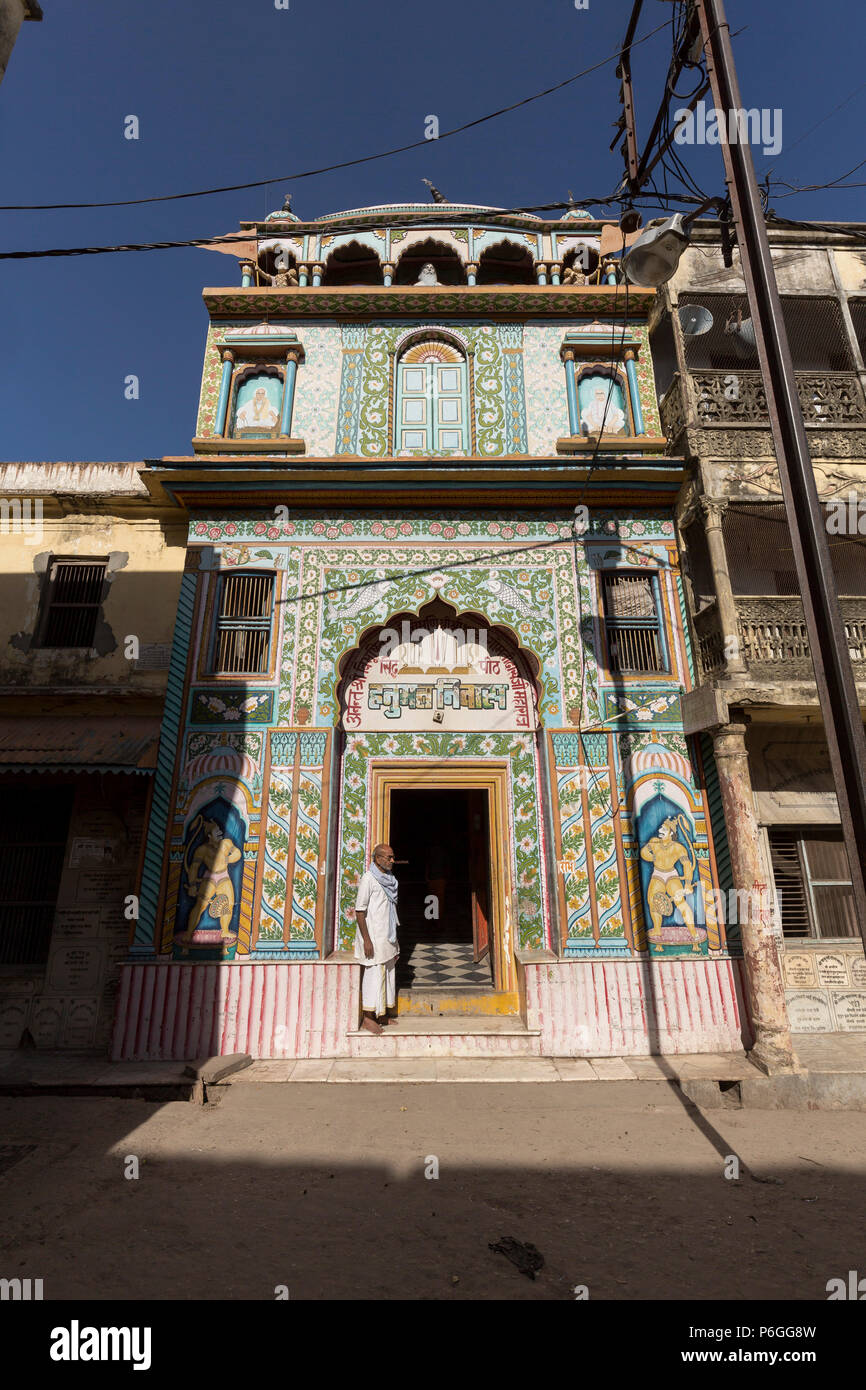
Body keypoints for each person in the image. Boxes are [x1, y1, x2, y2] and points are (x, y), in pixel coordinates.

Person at [354, 844, 400, 1033]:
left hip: (387, 935)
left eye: (392, 857)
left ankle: (382, 1014)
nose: (392, 860)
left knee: (388, 974)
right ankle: (368, 1017)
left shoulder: (390, 879)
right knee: (373, 974)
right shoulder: (369, 879)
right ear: (378, 858)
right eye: (388, 857)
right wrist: (366, 939)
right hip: (373, 937)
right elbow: (360, 911)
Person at [640, 816, 702, 954]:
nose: (659, 830)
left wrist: (687, 884)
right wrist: (651, 857)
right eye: (661, 827)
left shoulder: (678, 848)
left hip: (672, 875)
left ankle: (693, 933)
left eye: (664, 829)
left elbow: (686, 865)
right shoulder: (654, 842)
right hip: (657, 874)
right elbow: (643, 852)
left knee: (681, 903)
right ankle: (657, 929)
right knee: (653, 901)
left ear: (671, 833)